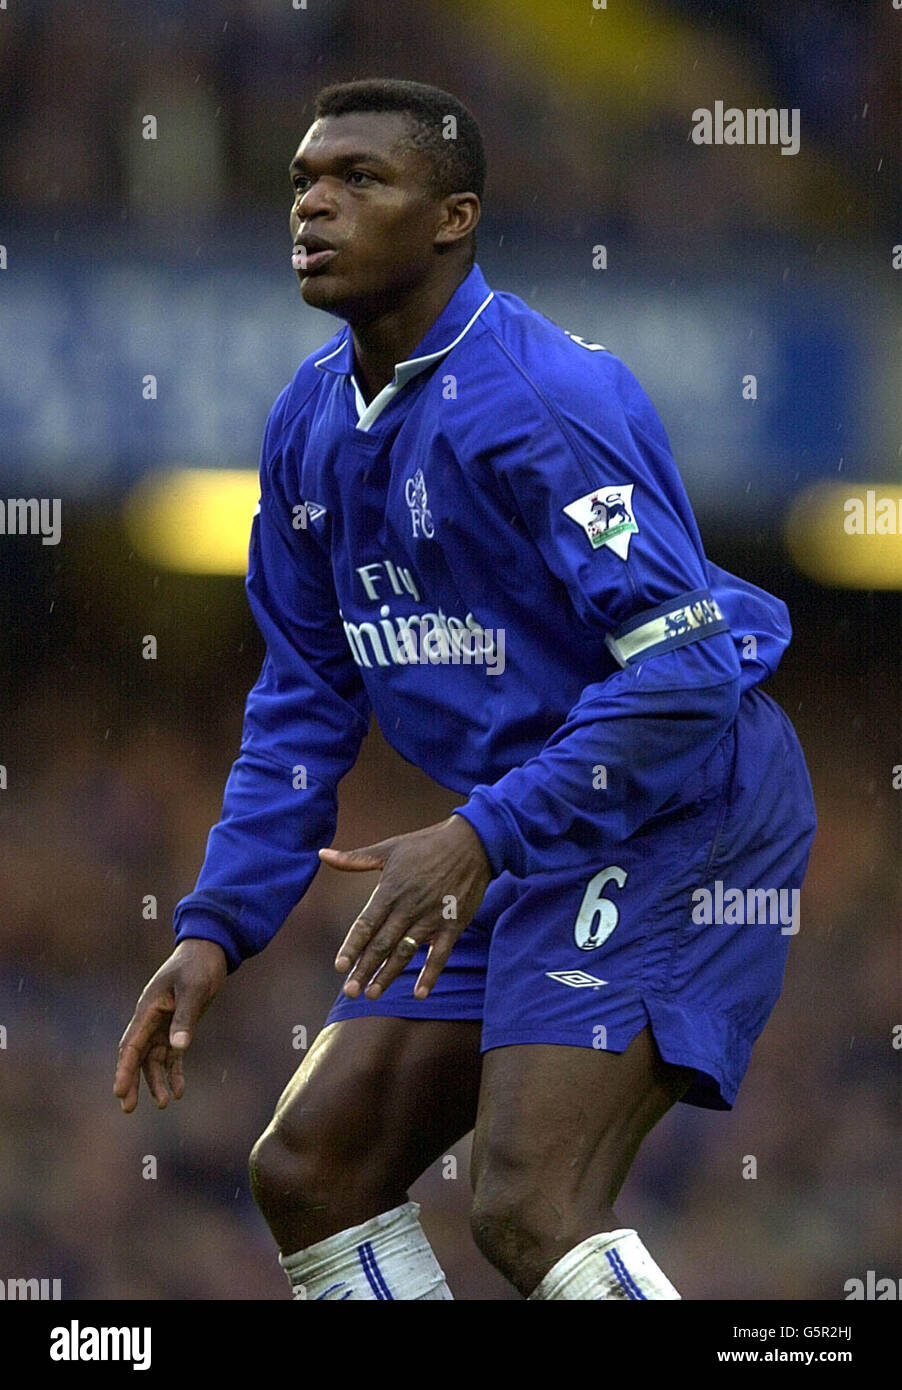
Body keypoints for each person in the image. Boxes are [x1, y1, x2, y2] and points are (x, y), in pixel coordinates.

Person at [114, 78, 818, 1301]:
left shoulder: (548, 401)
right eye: (302, 182)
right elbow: (302, 697)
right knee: (311, 1168)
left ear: (453, 217)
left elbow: (689, 670)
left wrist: (481, 834)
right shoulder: (303, 428)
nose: (315, 206)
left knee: (528, 1202)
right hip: (524, 823)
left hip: (677, 805)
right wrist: (215, 927)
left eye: (358, 181)